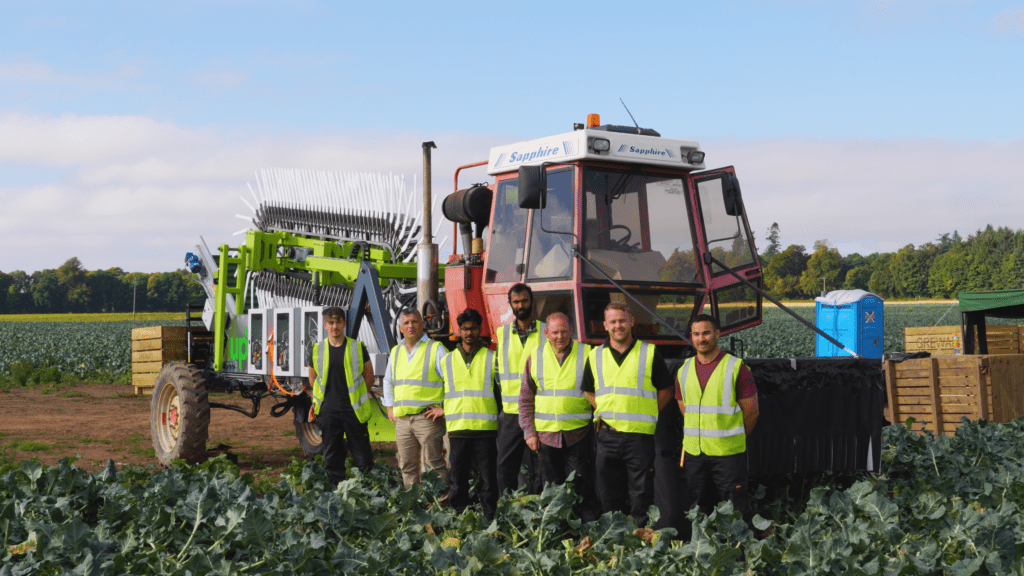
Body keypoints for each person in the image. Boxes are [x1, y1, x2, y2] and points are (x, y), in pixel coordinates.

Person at [581, 301, 674, 528]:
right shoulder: (595, 356)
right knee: (609, 496)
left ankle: (641, 543)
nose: (618, 325)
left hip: (639, 438)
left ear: (631, 322)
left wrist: (647, 412)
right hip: (607, 437)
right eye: (612, 321)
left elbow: (666, 391)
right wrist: (605, 410)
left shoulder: (649, 353)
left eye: (622, 320)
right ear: (605, 325)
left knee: (641, 496)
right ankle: (614, 542)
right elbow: (588, 391)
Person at [677, 313, 758, 524]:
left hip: (728, 454)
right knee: (698, 508)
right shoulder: (684, 370)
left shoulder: (736, 368)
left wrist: (734, 436)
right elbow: (685, 407)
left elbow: (751, 411)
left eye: (706, 333)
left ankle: (740, 555)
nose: (701, 338)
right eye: (696, 334)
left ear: (717, 334)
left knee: (735, 508)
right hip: (695, 453)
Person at [519, 312, 600, 522]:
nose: (560, 336)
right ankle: (556, 533)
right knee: (551, 491)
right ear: (546, 333)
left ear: (571, 331)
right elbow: (525, 398)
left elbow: (600, 392)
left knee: (582, 487)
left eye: (564, 331)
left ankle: (587, 533)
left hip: (579, 434)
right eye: (555, 332)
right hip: (545, 437)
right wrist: (529, 433)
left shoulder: (588, 354)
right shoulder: (535, 357)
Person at [439, 308, 500, 520]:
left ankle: (489, 516)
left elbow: (499, 394)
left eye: (474, 328)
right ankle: (460, 516)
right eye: (465, 328)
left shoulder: (492, 358)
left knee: (488, 479)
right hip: (457, 430)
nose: (469, 332)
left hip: (485, 431)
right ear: (459, 331)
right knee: (458, 478)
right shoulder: (446, 360)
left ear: (480, 329)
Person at [383, 308, 450, 498]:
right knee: (407, 466)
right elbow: (388, 381)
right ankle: (415, 509)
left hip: (427, 419)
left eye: (414, 322)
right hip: (403, 420)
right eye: (406, 323)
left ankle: (441, 508)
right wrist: (390, 408)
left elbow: (453, 380)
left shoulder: (436, 349)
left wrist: (443, 408)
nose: (410, 326)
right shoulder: (396, 352)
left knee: (434, 464)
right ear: (400, 328)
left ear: (422, 324)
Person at [307, 306, 375, 484]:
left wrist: (361, 394)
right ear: (325, 325)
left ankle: (367, 488)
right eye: (331, 322)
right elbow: (312, 379)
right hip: (329, 411)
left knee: (362, 454)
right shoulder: (316, 349)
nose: (334, 326)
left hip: (354, 410)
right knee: (332, 454)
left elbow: (369, 375)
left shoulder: (357, 347)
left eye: (338, 322)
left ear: (344, 323)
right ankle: (335, 488)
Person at [495, 283, 545, 496]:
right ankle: (508, 508)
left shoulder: (546, 331)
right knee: (505, 467)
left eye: (524, 301)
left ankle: (539, 508)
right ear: (510, 304)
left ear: (531, 301)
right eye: (516, 302)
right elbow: (498, 372)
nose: (520, 305)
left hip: (541, 410)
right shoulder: (502, 333)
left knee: (541, 467)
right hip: (512, 412)